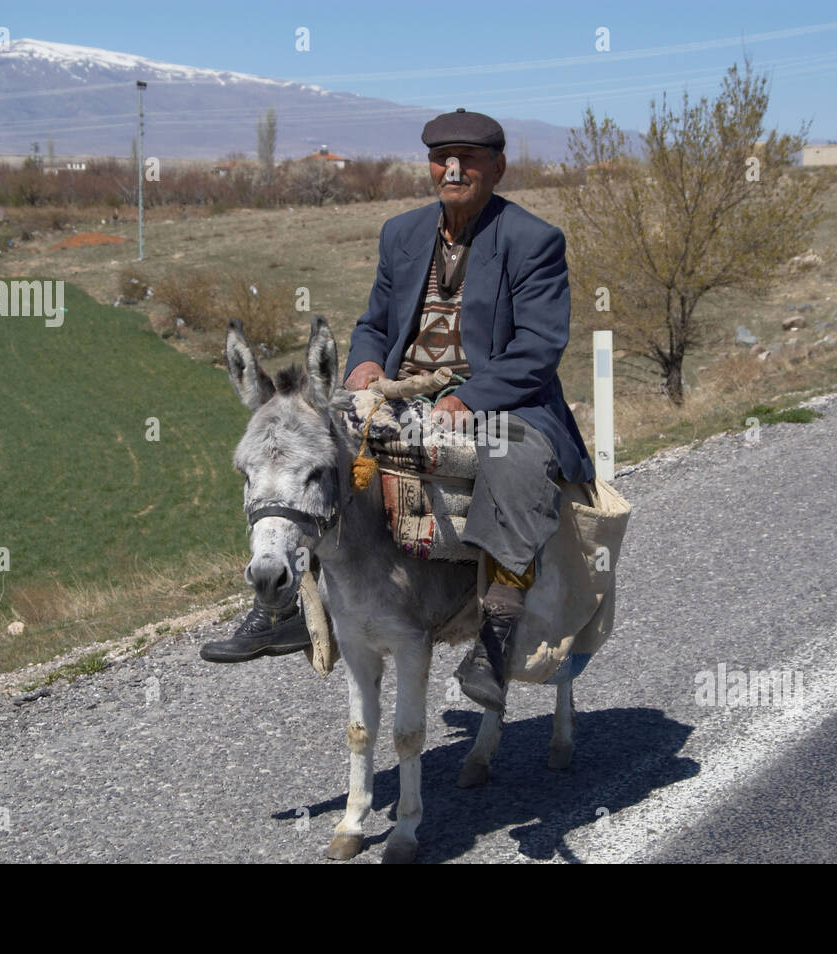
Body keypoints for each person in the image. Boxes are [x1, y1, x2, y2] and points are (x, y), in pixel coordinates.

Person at [201, 108, 594, 714]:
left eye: (469, 158)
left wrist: (471, 396)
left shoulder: (533, 240)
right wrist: (362, 367)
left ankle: (497, 631)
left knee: (511, 462)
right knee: (308, 452)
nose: (454, 168)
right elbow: (375, 323)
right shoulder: (402, 235)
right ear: (431, 165)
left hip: (505, 401)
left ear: (499, 167)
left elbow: (538, 349)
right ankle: (284, 607)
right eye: (443, 158)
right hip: (403, 394)